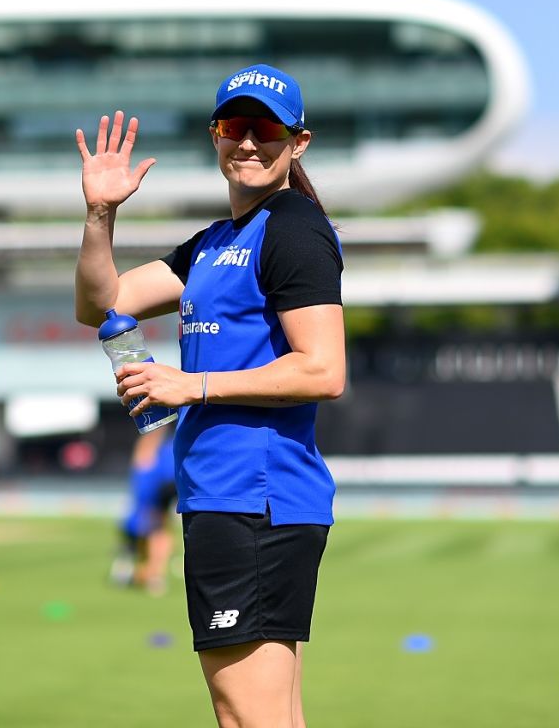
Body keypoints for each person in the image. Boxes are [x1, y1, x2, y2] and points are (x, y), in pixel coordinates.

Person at [74, 62, 345, 728]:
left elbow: (324, 370)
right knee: (257, 715)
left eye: (266, 129)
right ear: (215, 135)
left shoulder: (294, 231)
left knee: (247, 715)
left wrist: (188, 384)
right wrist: (100, 215)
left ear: (297, 143)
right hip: (228, 495)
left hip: (255, 495)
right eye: (234, 126)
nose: (248, 143)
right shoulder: (214, 243)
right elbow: (98, 305)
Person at [111, 423, 177, 595]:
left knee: (158, 539)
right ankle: (146, 575)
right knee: (155, 541)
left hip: (153, 504)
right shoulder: (148, 459)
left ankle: (148, 575)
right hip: (145, 507)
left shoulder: (159, 454)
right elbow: (147, 443)